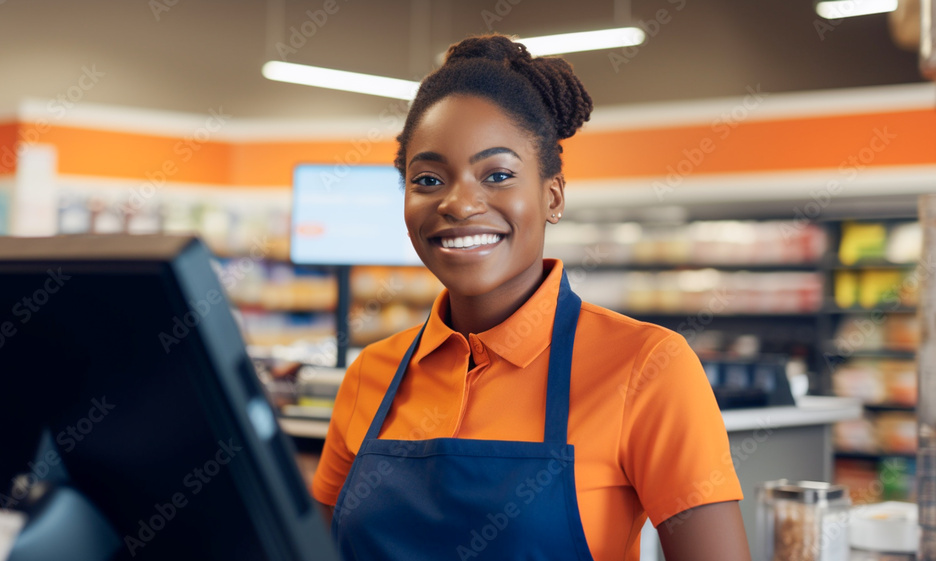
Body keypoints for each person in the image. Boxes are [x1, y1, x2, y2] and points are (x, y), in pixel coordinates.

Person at [311, 34, 750, 561]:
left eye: (497, 174)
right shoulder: (370, 376)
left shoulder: (648, 367)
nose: (458, 203)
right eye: (427, 179)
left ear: (552, 196)